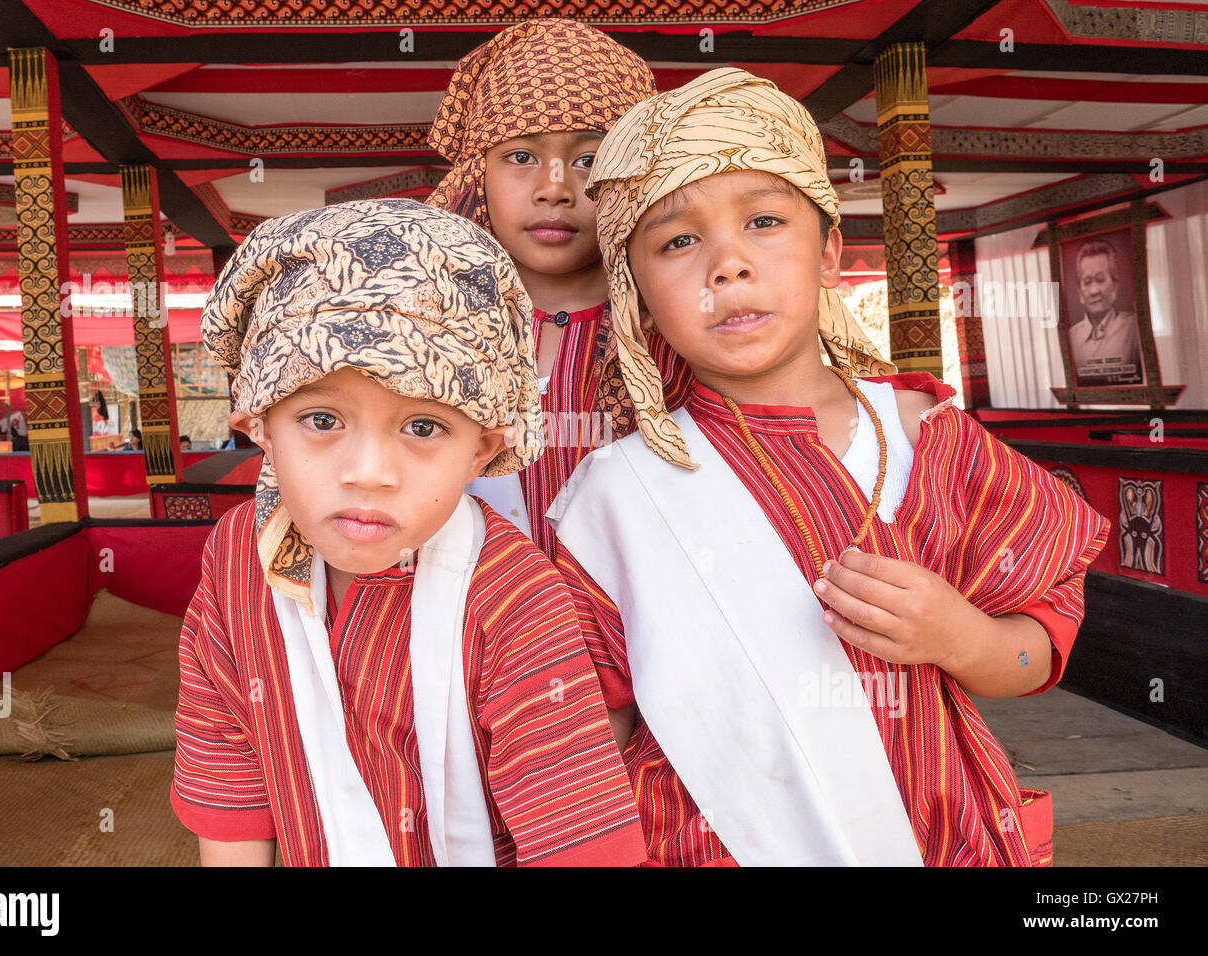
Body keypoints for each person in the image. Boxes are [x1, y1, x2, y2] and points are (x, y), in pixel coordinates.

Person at [548, 69, 1111, 867]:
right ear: (636, 296)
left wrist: (959, 636)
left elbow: (1036, 653)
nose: (728, 265)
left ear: (829, 254)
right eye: (677, 241)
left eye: (764, 221)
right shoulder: (616, 494)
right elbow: (594, 730)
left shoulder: (927, 439)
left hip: (936, 839)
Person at [172, 200, 645, 867]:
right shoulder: (234, 561)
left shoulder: (514, 598)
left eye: (423, 427)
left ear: (483, 450)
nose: (369, 473)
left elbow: (574, 840)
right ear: (260, 427)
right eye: (322, 420)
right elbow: (228, 765)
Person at [423, 18, 691, 559]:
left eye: (589, 160)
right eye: (520, 156)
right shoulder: (424, 331)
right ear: (477, 175)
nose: (554, 189)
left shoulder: (680, 333)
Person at [1068, 239, 1144, 386]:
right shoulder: (1071, 337)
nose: (1094, 291)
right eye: (1087, 282)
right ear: (1080, 293)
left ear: (1115, 286)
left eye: (1100, 280)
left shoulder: (1134, 329)